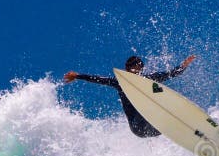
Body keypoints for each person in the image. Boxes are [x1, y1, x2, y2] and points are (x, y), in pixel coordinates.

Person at [64, 54, 196, 137]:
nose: (137, 72)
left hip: (154, 128)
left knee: (163, 102)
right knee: (150, 102)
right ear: (127, 69)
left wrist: (184, 65)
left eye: (139, 69)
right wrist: (78, 76)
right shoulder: (120, 82)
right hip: (137, 126)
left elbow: (172, 73)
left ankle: (192, 131)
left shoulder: (148, 80)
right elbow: (98, 79)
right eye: (134, 69)